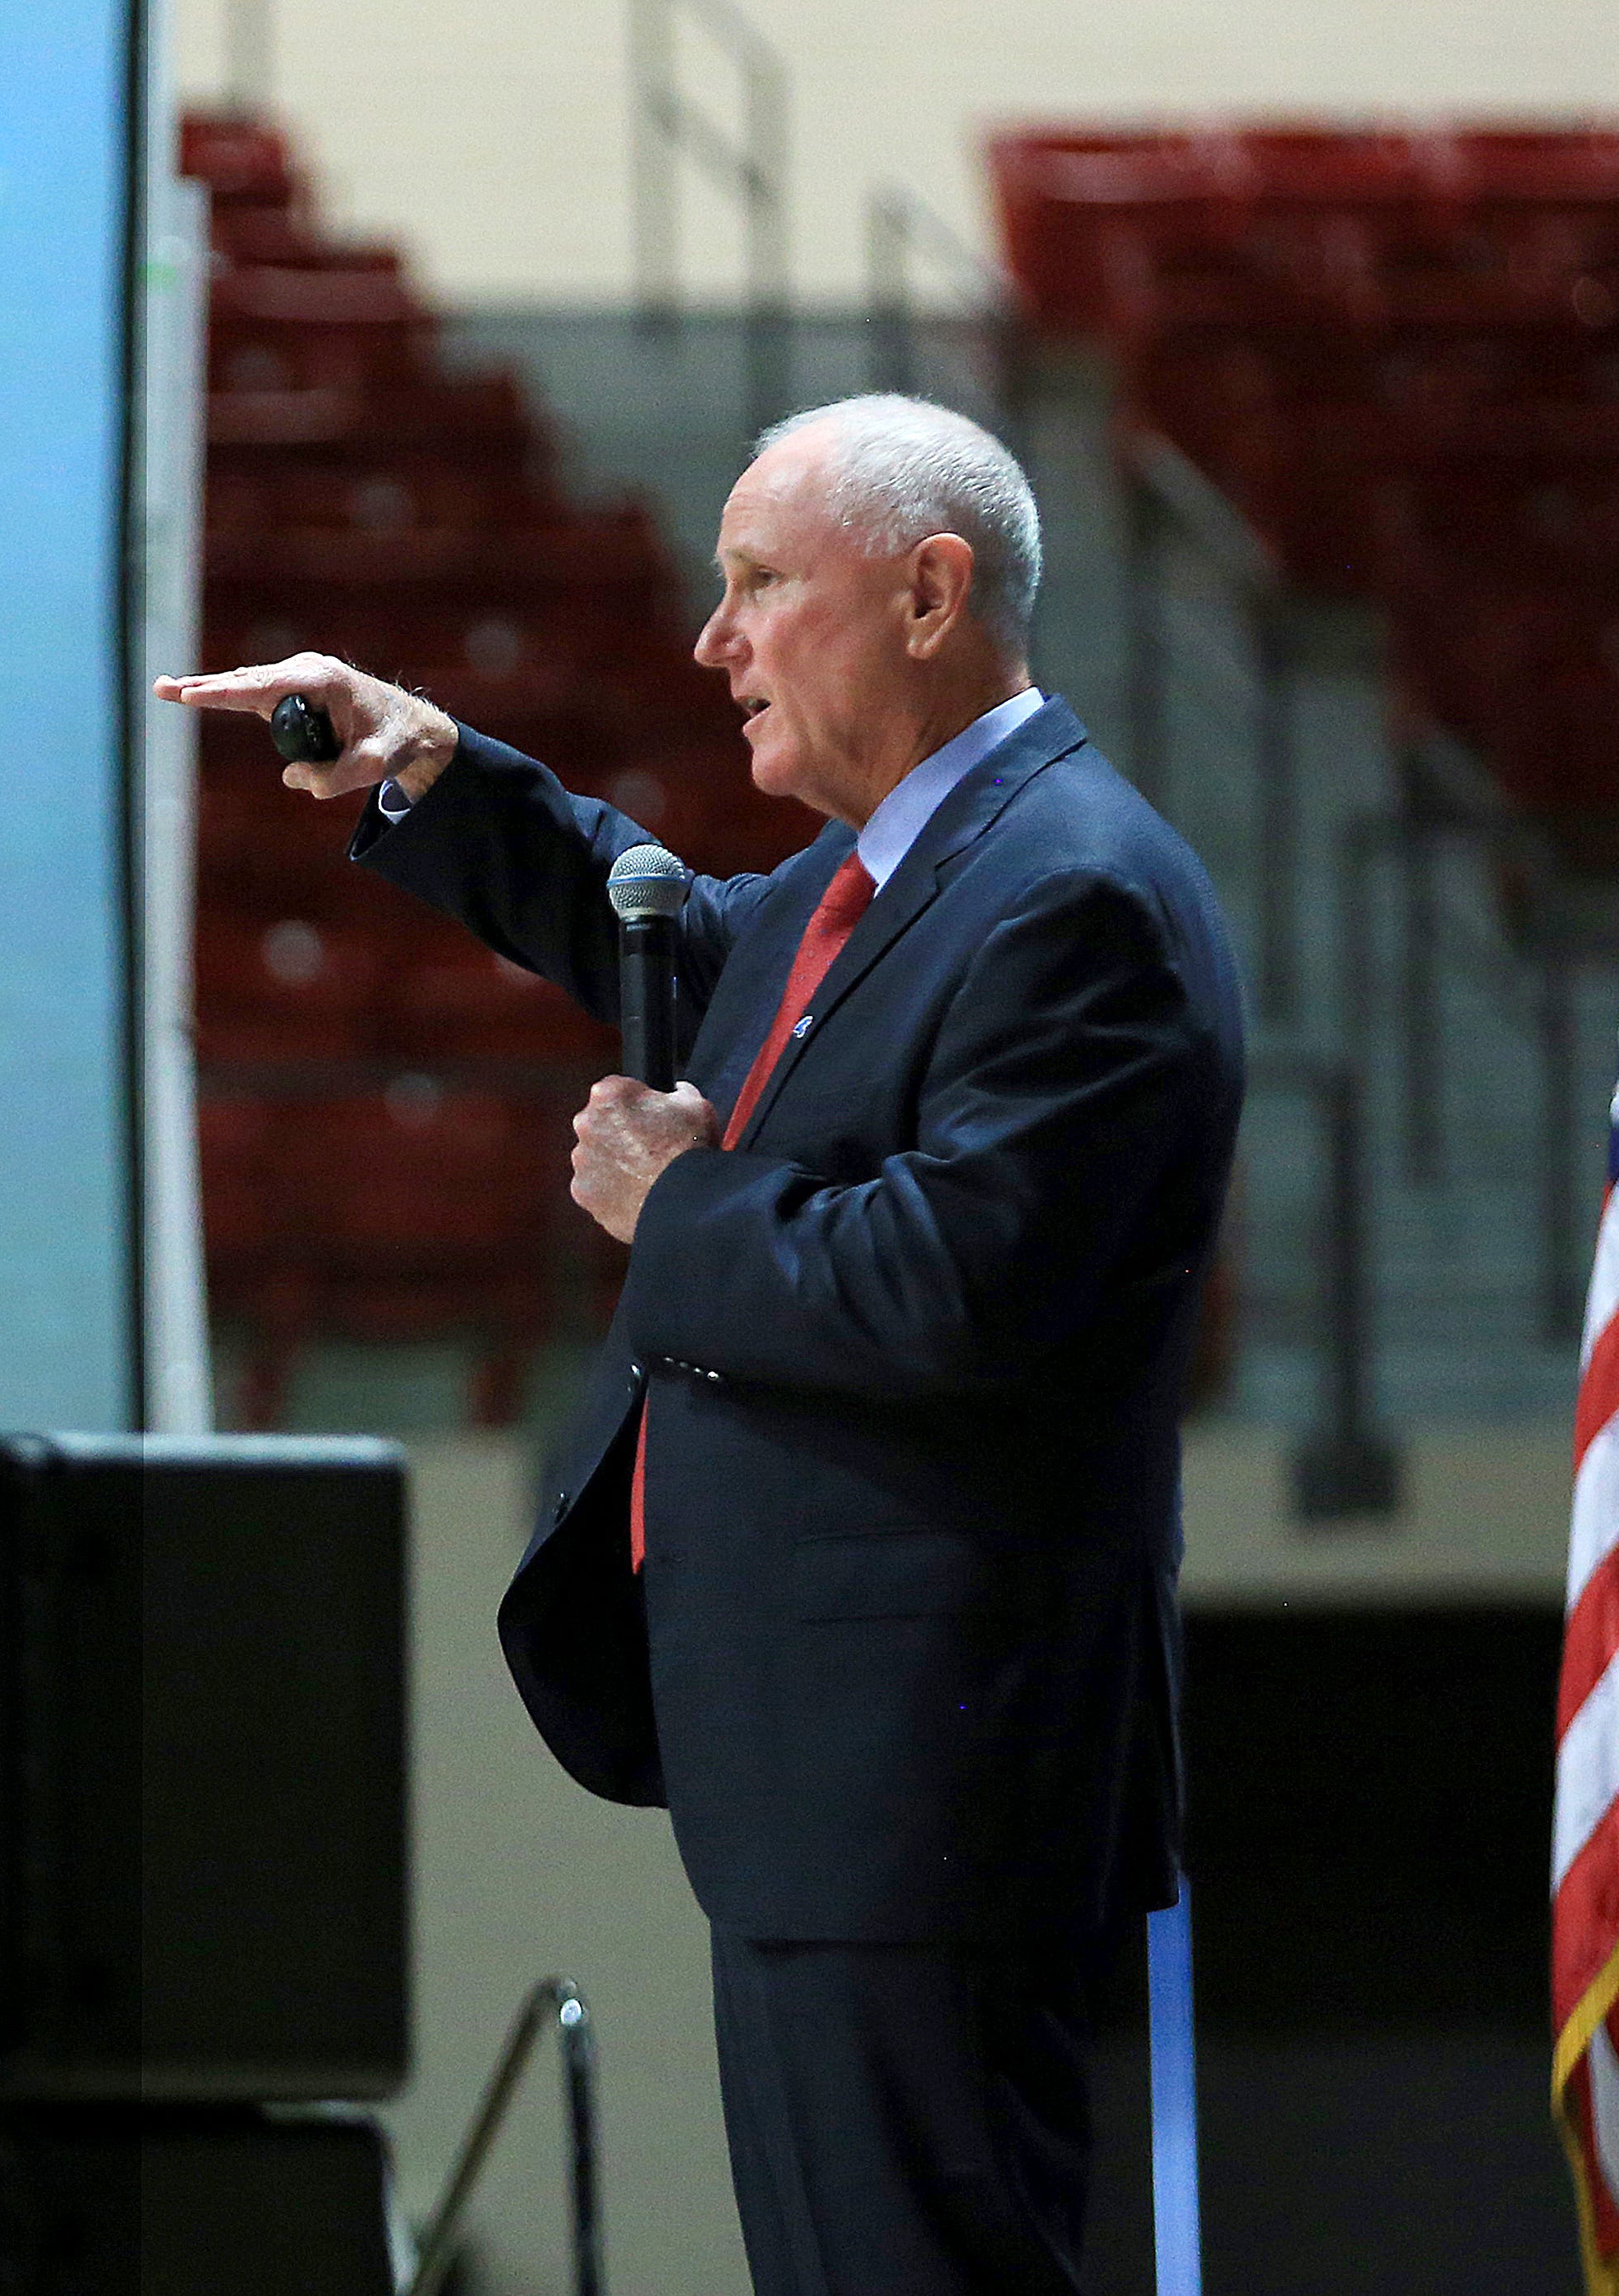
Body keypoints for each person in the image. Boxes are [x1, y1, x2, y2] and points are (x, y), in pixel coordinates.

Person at [159, 393, 1244, 2294]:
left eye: (755, 587)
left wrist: (677, 1208)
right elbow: (670, 935)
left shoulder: (1069, 892)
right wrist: (433, 766)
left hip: (934, 1784)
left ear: (927, 594)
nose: (708, 641)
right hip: (834, 1783)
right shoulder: (889, 884)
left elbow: (957, 1288)